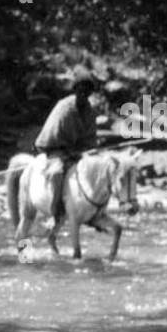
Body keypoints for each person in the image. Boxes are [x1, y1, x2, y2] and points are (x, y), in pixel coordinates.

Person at [35, 67, 99, 225]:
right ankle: (54, 209)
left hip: (76, 152)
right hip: (55, 149)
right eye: (81, 89)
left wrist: (90, 149)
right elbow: (56, 135)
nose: (84, 93)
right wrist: (70, 152)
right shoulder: (65, 107)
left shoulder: (90, 112)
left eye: (88, 90)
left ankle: (93, 210)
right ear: (76, 89)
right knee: (57, 171)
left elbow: (90, 137)